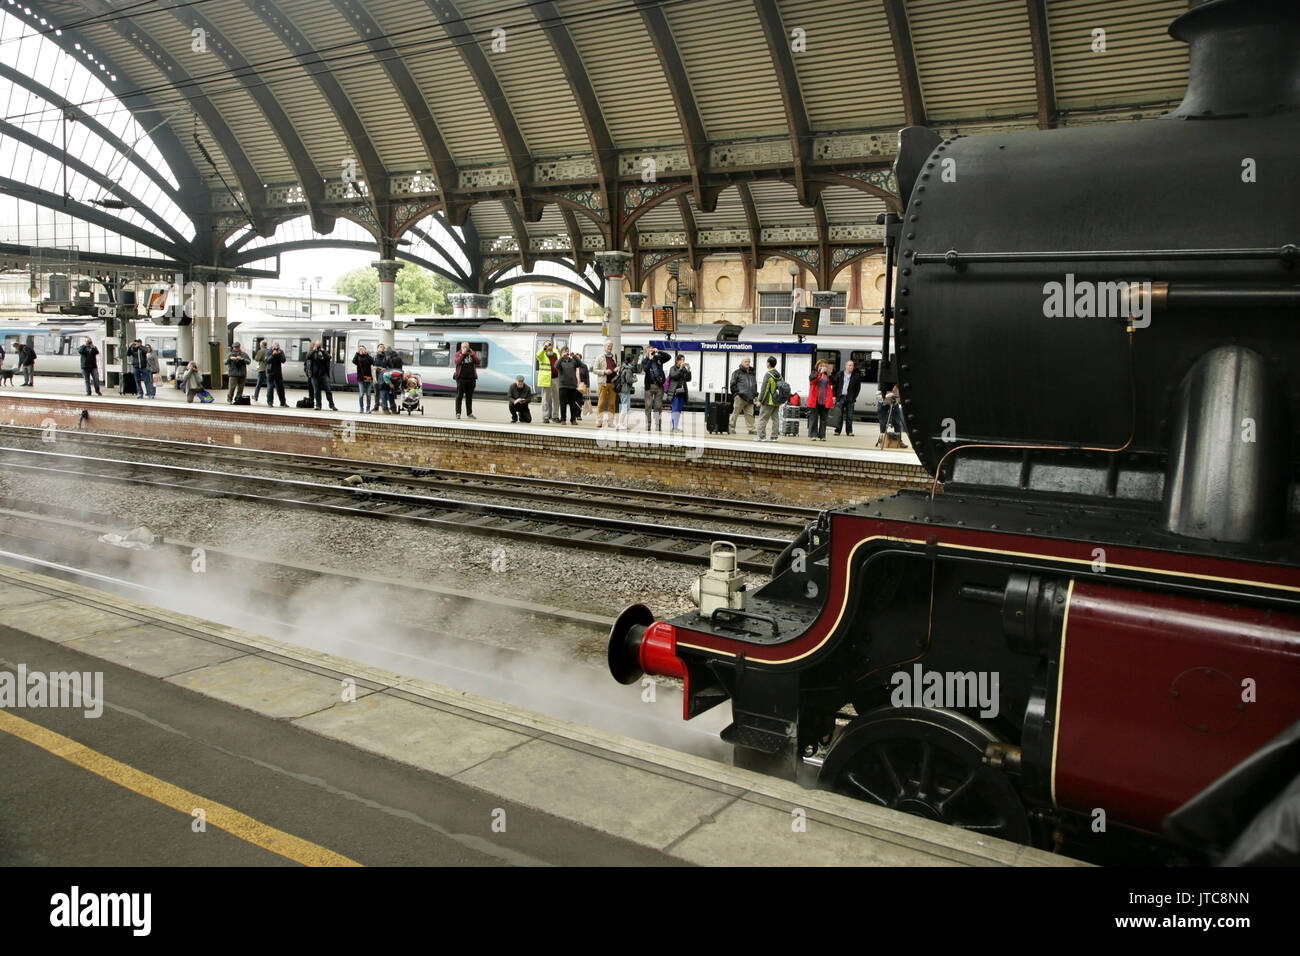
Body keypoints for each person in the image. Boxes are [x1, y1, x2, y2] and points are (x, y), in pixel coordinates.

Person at [831, 359, 864, 437]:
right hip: (840, 397)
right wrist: (834, 396)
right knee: (839, 416)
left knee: (850, 416)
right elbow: (835, 386)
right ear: (846, 366)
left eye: (852, 365)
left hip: (850, 398)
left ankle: (849, 431)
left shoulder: (856, 376)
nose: (851, 367)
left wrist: (854, 397)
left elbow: (858, 388)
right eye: (849, 365)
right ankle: (837, 431)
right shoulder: (840, 374)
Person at [640, 344, 670, 431]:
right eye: (649, 351)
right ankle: (648, 425)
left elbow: (668, 357)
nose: (651, 352)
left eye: (651, 350)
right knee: (648, 406)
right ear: (646, 352)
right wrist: (650, 359)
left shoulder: (658, 358)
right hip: (649, 386)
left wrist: (658, 351)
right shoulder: (645, 361)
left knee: (658, 406)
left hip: (659, 386)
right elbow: (646, 369)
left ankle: (658, 425)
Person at [756, 356, 784, 442]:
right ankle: (774, 437)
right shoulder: (779, 375)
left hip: (768, 401)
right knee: (775, 419)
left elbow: (764, 389)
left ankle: (761, 437)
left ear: (768, 363)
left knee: (763, 418)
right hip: (777, 401)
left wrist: (760, 400)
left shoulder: (768, 375)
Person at [728, 356, 757, 434]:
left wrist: (755, 395)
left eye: (748, 362)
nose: (747, 363)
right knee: (735, 413)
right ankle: (731, 427)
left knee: (750, 414)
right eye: (745, 362)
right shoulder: (737, 372)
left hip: (750, 398)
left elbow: (754, 385)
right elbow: (732, 384)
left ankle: (751, 429)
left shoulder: (752, 373)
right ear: (742, 363)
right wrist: (736, 394)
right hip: (740, 397)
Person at [806, 360, 834, 441]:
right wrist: (820, 373)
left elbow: (833, 382)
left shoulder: (827, 375)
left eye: (824, 366)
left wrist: (829, 373)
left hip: (825, 400)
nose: (823, 367)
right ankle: (813, 435)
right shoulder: (814, 373)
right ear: (817, 366)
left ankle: (822, 435)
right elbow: (813, 381)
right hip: (815, 400)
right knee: (813, 418)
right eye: (821, 365)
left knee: (824, 419)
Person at [554, 346, 583, 424]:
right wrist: (561, 357)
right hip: (563, 386)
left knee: (572, 404)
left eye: (567, 351)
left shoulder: (573, 361)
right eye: (564, 351)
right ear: (561, 353)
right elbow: (556, 366)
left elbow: (581, 364)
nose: (566, 353)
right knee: (563, 404)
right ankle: (563, 419)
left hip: (572, 386)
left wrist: (574, 356)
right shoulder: (560, 362)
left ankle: (573, 419)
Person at [306, 340, 337, 411]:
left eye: (319, 345)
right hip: (314, 374)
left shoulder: (323, 352)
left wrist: (323, 351)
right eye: (317, 345)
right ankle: (318, 405)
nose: (318, 347)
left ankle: (332, 405)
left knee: (328, 390)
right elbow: (307, 357)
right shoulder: (312, 353)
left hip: (323, 374)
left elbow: (329, 357)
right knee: (316, 391)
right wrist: (314, 350)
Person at [453, 341, 479, 419]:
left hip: (471, 379)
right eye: (463, 347)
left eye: (466, 347)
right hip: (461, 379)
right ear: (461, 347)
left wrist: (473, 355)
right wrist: (463, 354)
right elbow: (457, 362)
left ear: (468, 347)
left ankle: (469, 413)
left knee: (469, 397)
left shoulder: (472, 353)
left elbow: (478, 361)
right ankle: (458, 413)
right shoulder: (458, 354)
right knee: (459, 396)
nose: (465, 348)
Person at [594, 340, 618, 428]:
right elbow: (594, 370)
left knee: (612, 404)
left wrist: (617, 368)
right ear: (604, 347)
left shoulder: (614, 356)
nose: (610, 348)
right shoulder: (599, 357)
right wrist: (604, 372)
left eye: (611, 346)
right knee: (601, 403)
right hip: (603, 383)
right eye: (608, 346)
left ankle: (610, 422)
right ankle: (599, 421)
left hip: (612, 383)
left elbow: (616, 365)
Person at [668, 353, 691, 432]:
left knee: (678, 410)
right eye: (681, 360)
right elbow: (674, 376)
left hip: (682, 392)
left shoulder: (684, 369)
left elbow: (688, 379)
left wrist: (688, 370)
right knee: (675, 409)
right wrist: (680, 369)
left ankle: (675, 427)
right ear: (677, 361)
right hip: (675, 392)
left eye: (683, 360)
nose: (682, 361)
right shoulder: (673, 368)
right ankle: (674, 427)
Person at [536, 341, 559, 422]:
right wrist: (544, 347)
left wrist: (553, 348)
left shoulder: (555, 354)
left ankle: (555, 416)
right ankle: (545, 417)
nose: (549, 346)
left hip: (556, 379)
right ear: (544, 347)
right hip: (547, 380)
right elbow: (538, 354)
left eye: (550, 344)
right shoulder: (542, 355)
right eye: (547, 345)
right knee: (545, 399)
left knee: (556, 399)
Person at [614, 355, 637, 430]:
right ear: (631, 360)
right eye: (633, 360)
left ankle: (621, 423)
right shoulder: (628, 369)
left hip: (622, 389)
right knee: (625, 406)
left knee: (625, 406)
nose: (634, 361)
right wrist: (635, 379)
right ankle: (620, 423)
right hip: (625, 390)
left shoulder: (623, 367)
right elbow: (628, 380)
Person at [352, 344, 375, 413]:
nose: (361, 351)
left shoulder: (367, 357)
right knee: (361, 394)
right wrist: (357, 353)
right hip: (361, 379)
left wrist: (366, 354)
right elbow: (353, 361)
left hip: (369, 378)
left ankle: (368, 409)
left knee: (368, 394)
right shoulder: (358, 357)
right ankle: (361, 408)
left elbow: (373, 362)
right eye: (360, 349)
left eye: (363, 349)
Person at [264, 343, 288, 407]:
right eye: (275, 347)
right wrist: (273, 355)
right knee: (270, 387)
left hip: (278, 372)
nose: (276, 349)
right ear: (272, 347)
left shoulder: (280, 351)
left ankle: (283, 402)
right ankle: (270, 402)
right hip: (270, 372)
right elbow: (266, 361)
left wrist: (279, 354)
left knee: (280, 388)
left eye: (277, 347)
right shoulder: (269, 351)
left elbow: (283, 360)